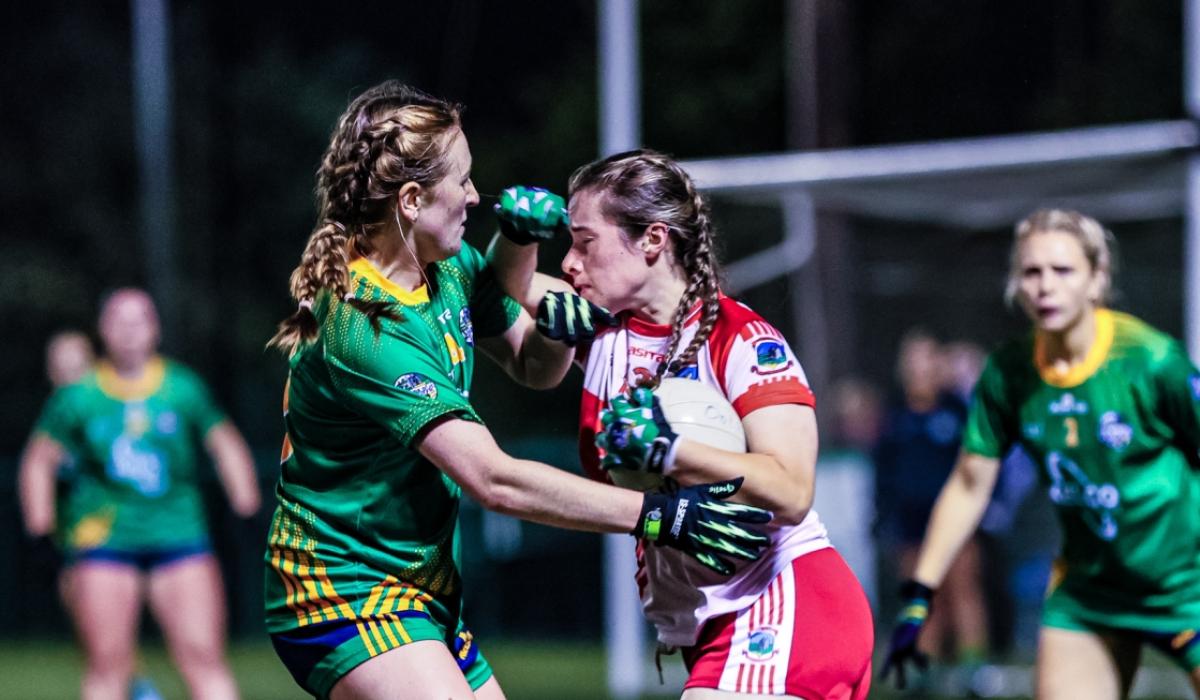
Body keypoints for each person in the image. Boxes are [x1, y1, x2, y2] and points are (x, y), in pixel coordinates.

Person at [261, 81, 772, 700]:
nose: (476, 195)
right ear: (412, 201)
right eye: (463, 180)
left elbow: (533, 366)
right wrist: (658, 516)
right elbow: (493, 480)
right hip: (338, 587)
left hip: (418, 587)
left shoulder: (446, 269)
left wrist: (556, 329)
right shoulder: (364, 325)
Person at [489, 149, 875, 699]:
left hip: (780, 600)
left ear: (653, 239)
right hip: (714, 625)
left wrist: (673, 449)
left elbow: (791, 490)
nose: (570, 262)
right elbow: (507, 286)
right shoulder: (605, 330)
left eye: (586, 242)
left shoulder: (743, 340)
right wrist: (517, 237)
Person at [881, 209, 1200, 698]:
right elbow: (969, 484)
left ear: (1097, 279)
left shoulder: (1153, 361)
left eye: (1063, 270)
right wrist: (921, 590)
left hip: (1185, 581)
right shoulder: (1009, 373)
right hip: (1089, 590)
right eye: (1032, 272)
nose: (1045, 286)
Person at [18, 289, 261, 700]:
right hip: (106, 544)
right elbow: (38, 460)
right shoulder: (79, 396)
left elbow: (225, 443)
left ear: (155, 329)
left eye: (139, 321)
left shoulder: (182, 388)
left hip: (180, 538)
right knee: (107, 667)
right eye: (119, 322)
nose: (129, 332)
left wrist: (246, 506)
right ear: (103, 330)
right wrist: (40, 527)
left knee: (205, 661)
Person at [873, 330, 988, 669]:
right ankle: (924, 665)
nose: (919, 368)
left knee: (963, 590)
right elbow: (884, 473)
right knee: (920, 596)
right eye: (912, 360)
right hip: (911, 523)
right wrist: (882, 516)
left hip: (955, 520)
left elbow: (978, 463)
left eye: (926, 359)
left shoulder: (956, 410)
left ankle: (973, 667)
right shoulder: (894, 416)